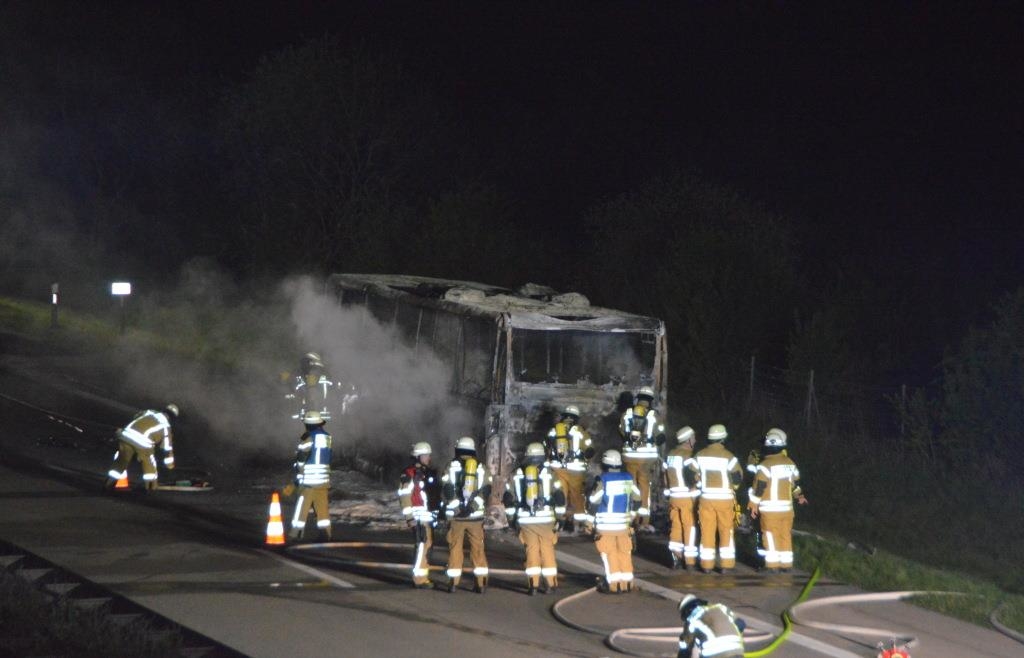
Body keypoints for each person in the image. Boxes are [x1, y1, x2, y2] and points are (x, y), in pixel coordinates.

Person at [747, 428, 807, 573]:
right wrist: (799, 496)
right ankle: (786, 564)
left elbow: (760, 487)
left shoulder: (764, 465)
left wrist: (753, 504)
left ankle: (772, 566)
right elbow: (795, 484)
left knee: (769, 535)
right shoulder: (790, 463)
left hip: (770, 509)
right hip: (787, 509)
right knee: (785, 534)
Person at [511, 442, 564, 595]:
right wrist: (560, 518)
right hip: (546, 520)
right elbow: (559, 497)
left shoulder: (517, 474)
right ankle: (551, 584)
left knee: (531, 550)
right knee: (547, 549)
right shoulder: (550, 474)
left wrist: (512, 518)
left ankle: (533, 585)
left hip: (526, 520)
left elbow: (509, 498)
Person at [689, 424, 742, 573]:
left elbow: (690, 472)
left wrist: (698, 483)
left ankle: (706, 565)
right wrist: (734, 489)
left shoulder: (700, 455)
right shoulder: (729, 456)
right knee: (726, 531)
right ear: (723, 438)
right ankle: (726, 565)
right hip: (725, 499)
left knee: (707, 531)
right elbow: (737, 477)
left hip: (706, 499)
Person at [440, 436, 491, 593]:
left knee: (455, 548)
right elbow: (487, 489)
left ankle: (454, 583)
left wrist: (457, 508)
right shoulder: (481, 467)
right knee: (478, 548)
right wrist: (473, 506)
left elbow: (446, 488)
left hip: (457, 517)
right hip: (475, 517)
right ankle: (480, 583)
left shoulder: (451, 466)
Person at [587, 449, 641, 593]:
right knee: (624, 552)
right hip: (623, 525)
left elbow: (594, 502)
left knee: (609, 553)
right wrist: (632, 515)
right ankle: (627, 583)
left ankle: (614, 585)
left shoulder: (603, 479)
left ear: (604, 464)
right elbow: (637, 499)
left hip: (606, 525)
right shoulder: (628, 478)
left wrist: (589, 521)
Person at [106, 404, 178, 491]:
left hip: (126, 436)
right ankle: (150, 487)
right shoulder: (166, 427)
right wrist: (170, 465)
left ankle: (109, 483)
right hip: (143, 444)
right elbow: (167, 448)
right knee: (149, 464)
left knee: (121, 461)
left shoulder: (149, 412)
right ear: (172, 418)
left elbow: (136, 417)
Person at [619, 386, 662, 530]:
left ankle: (630, 517)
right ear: (650, 401)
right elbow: (660, 435)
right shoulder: (653, 415)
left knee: (631, 485)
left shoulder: (627, 413)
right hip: (646, 458)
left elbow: (621, 430)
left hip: (630, 456)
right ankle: (644, 520)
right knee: (644, 486)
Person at [545, 404, 593, 532]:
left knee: (561, 494)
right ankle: (579, 523)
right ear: (576, 418)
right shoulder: (581, 432)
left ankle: (560, 521)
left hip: (558, 468)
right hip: (576, 470)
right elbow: (589, 449)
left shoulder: (554, 430)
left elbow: (547, 446)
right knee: (577, 495)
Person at [398, 441, 439, 588]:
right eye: (426, 455)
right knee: (422, 546)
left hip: (426, 517)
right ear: (418, 456)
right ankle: (419, 579)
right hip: (418, 517)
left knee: (426, 546)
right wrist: (410, 518)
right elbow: (404, 495)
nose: (429, 458)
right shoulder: (409, 473)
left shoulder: (425, 472)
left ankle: (422, 576)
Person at [287, 410, 333, 541]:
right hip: (323, 481)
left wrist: (298, 476)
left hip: (309, 482)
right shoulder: (327, 437)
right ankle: (326, 534)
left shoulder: (308, 438)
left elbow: (301, 459)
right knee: (322, 508)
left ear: (309, 424)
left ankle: (296, 533)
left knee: (302, 507)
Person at [664, 426, 700, 569]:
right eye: (694, 438)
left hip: (674, 496)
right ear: (688, 440)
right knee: (689, 527)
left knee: (676, 525)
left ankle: (675, 554)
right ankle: (690, 561)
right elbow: (694, 477)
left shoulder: (671, 455)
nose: (695, 440)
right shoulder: (689, 456)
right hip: (686, 497)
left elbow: (665, 477)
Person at [677, 594, 745, 658]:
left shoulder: (691, 621)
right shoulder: (721, 608)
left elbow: (684, 650)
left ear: (685, 612)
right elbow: (741, 624)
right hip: (737, 653)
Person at [285, 352, 335, 421]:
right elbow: (295, 399)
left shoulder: (326, 381)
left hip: (324, 421)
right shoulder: (301, 382)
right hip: (307, 420)